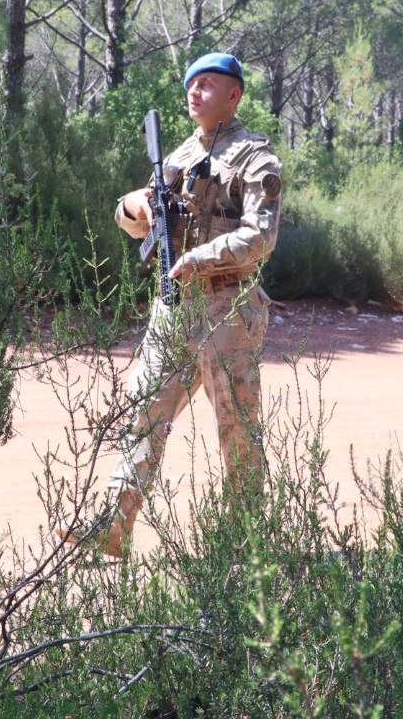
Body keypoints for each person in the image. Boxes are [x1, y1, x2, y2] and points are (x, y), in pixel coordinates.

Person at [92, 52, 282, 556]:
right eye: (191, 84)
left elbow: (260, 237)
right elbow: (143, 219)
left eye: (208, 84)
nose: (194, 91)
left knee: (236, 427)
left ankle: (246, 543)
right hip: (174, 307)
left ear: (234, 95)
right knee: (144, 413)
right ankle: (112, 527)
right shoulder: (174, 156)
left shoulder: (255, 159)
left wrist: (199, 257)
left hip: (229, 306)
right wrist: (130, 208)